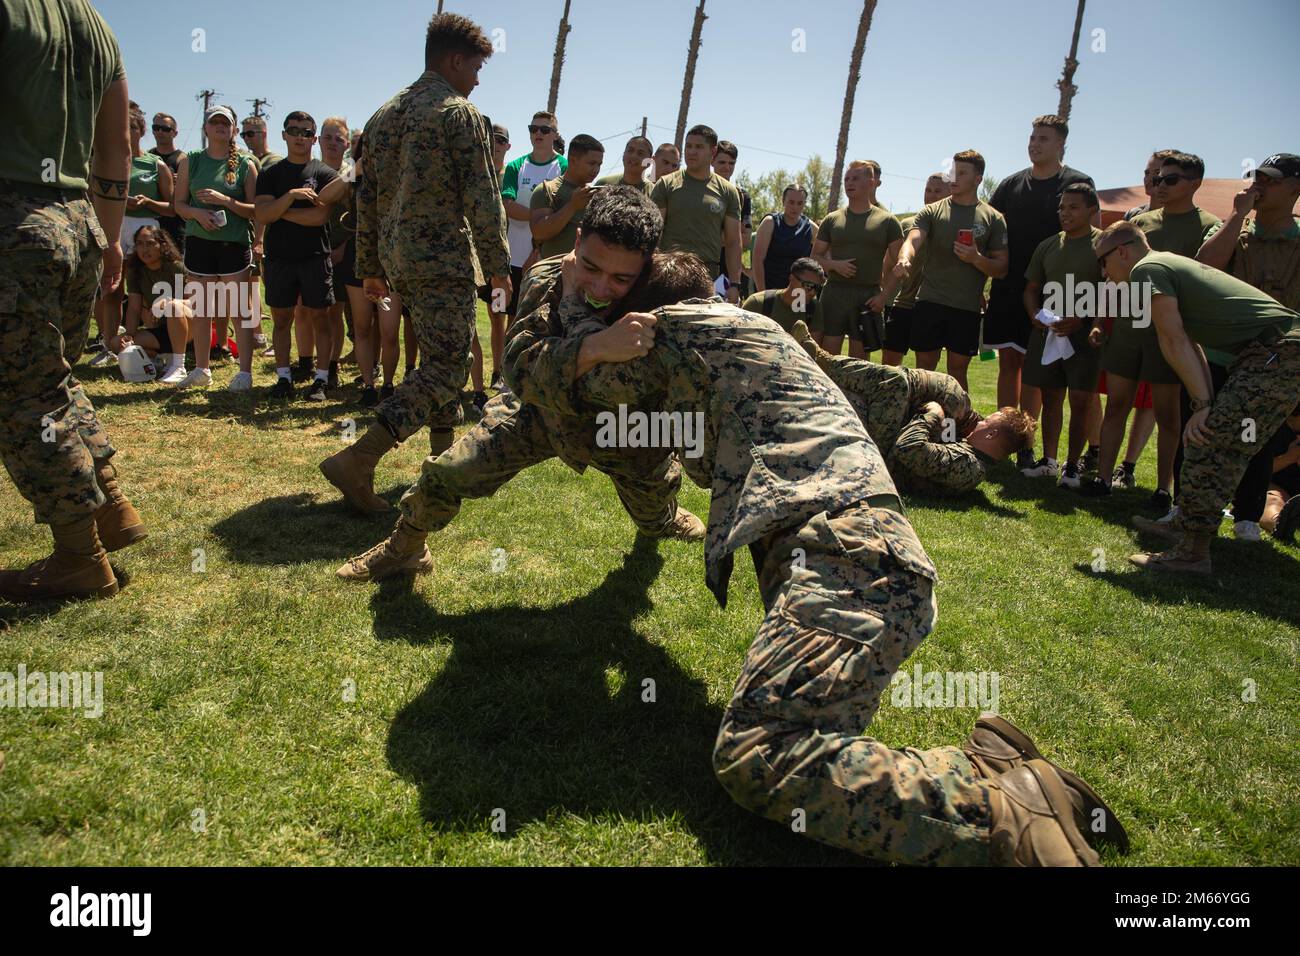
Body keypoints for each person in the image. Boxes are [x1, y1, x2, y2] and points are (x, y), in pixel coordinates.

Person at [535, 256, 1113, 866]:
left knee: (760, 752)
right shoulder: (743, 337)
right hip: (853, 551)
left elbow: (566, 382)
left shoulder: (677, 329)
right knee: (799, 735)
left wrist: (570, 298)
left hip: (846, 555)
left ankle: (996, 804)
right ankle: (998, 762)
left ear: (646, 316)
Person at [334, 187, 706, 579]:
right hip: (541, 413)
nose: (600, 289)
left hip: (622, 429)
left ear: (647, 265)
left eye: (620, 279)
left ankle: (665, 516)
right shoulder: (546, 278)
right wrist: (595, 346)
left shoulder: (664, 291)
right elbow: (521, 368)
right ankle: (405, 548)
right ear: (577, 242)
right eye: (591, 268)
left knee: (653, 515)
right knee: (451, 471)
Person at [319, 11, 511, 509]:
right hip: (443, 257)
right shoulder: (457, 113)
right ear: (453, 60)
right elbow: (483, 197)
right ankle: (358, 459)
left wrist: (370, 267)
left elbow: (366, 198)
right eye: (474, 67)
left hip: (399, 258)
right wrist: (497, 265)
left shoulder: (383, 115)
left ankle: (442, 468)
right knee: (448, 367)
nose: (476, 79)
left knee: (435, 360)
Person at [0, 0, 146, 602]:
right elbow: (116, 151)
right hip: (75, 220)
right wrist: (109, 237)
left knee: (22, 396)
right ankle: (111, 505)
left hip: (14, 219)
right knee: (48, 379)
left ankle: (78, 559)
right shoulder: (93, 23)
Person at [1091, 222, 1300, 574]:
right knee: (1205, 435)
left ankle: (1193, 552)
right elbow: (1191, 344)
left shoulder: (1147, 270)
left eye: (1103, 262)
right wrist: (1203, 403)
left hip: (1278, 353)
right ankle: (1184, 525)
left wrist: (1204, 407)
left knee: (1212, 444)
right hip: (1270, 353)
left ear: (1122, 252)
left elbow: (1172, 340)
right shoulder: (1165, 265)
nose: (1103, 272)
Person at [1189, 153, 1300, 538]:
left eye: (1271, 179)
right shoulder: (1235, 230)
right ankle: (1186, 510)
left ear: (1295, 189)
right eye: (1257, 178)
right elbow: (1204, 269)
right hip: (1222, 354)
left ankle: (1247, 516)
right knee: (1202, 432)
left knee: (1254, 438)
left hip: (1272, 364)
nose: (1260, 185)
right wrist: (1237, 217)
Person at [1104, 152, 1222, 512]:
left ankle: (1162, 489)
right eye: (1158, 179)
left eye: (1171, 179)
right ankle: (1103, 480)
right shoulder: (1139, 222)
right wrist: (1100, 320)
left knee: (1169, 413)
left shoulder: (1208, 225)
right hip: (1128, 326)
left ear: (1194, 183)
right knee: (1117, 405)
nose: (1161, 185)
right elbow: (1110, 273)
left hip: (1171, 333)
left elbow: (1209, 271)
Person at [794, 322, 1036, 497]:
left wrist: (930, 415)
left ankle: (820, 361)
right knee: (860, 396)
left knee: (895, 384)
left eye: (986, 422)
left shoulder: (967, 467)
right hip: (884, 454)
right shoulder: (968, 456)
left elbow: (907, 448)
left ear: (991, 434)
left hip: (880, 462)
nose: (980, 422)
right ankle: (814, 366)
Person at [984, 116, 1094, 440]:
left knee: (1039, 371)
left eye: (1043, 139)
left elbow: (1094, 237)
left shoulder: (1077, 182)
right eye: (1032, 137)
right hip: (1010, 286)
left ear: (1061, 144)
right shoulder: (1009, 185)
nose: (1034, 144)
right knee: (1009, 362)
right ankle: (1007, 433)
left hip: (1056, 294)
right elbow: (991, 235)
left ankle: (1028, 439)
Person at [894, 150, 1009, 391]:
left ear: (977, 179)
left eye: (962, 172)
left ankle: (957, 425)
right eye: (953, 171)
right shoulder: (933, 211)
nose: (954, 177)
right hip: (930, 301)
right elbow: (913, 239)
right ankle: (921, 421)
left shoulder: (993, 218)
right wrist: (905, 258)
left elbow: (1001, 268)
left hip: (966, 307)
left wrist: (976, 258)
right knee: (924, 369)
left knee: (957, 371)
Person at [1019, 183, 1104, 487]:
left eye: (1073, 207)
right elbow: (1030, 290)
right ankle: (1049, 461)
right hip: (1048, 334)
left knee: (1081, 400)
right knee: (1051, 397)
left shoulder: (1102, 245)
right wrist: (1034, 316)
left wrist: (1084, 320)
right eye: (1062, 207)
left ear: (1091, 211)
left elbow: (1112, 291)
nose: (1065, 213)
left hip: (1084, 338)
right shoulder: (1048, 245)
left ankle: (1073, 466)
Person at [254, 111, 341, 400]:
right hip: (279, 257)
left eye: (306, 132)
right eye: (294, 131)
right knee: (281, 320)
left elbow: (319, 218)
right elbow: (262, 215)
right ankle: (283, 377)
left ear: (314, 138)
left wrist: (279, 211)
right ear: (284, 135)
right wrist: (291, 196)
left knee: (320, 318)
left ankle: (321, 379)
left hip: (315, 256)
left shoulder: (324, 174)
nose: (300, 137)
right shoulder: (270, 174)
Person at [172, 104, 259, 390]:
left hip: (234, 244)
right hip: (199, 243)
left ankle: (244, 373)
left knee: (239, 308)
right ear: (206, 128)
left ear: (234, 129)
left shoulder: (246, 164)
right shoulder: (191, 160)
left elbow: (255, 210)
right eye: (215, 122)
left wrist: (225, 201)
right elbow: (179, 205)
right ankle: (201, 369)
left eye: (226, 123)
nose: (220, 126)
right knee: (201, 309)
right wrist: (197, 213)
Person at [315, 134, 399, 407]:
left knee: (388, 330)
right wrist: (356, 170)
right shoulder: (352, 179)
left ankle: (388, 384)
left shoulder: (398, 177)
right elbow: (323, 197)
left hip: (389, 260)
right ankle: (369, 386)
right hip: (357, 258)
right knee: (362, 327)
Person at [91, 101, 175, 369]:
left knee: (140, 291)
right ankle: (109, 345)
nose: (126, 132)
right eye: (121, 127)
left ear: (141, 131)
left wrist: (147, 203)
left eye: (132, 127)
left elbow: (173, 208)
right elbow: (93, 195)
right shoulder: (105, 160)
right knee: (111, 290)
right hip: (113, 226)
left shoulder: (155, 164)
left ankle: (152, 344)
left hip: (145, 233)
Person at [811, 160, 903, 358]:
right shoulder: (832, 218)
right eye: (846, 179)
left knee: (859, 363)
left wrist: (883, 297)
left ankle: (853, 391)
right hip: (834, 293)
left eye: (855, 178)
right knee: (827, 357)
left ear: (871, 183)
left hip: (868, 297)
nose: (849, 183)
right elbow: (815, 257)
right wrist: (834, 265)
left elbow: (900, 266)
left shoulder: (888, 221)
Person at [650, 124, 742, 302]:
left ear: (713, 151)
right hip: (668, 272)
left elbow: (733, 242)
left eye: (699, 147)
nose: (691, 152)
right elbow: (654, 233)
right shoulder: (666, 184)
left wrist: (735, 284)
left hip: (707, 276)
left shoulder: (728, 191)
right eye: (688, 146)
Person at [106, 224, 192, 384]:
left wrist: (169, 302)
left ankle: (179, 366)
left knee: (173, 307)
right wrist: (130, 336)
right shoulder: (135, 271)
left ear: (162, 245)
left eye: (150, 243)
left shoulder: (175, 267)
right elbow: (133, 308)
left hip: (187, 328)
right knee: (116, 343)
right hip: (158, 331)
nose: (144, 249)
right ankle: (158, 358)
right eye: (139, 243)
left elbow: (193, 303)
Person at [501, 110, 565, 321]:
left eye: (545, 130)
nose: (538, 133)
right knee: (503, 315)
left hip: (546, 259)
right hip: (512, 258)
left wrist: (536, 247)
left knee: (536, 320)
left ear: (555, 134)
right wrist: (540, 218)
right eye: (533, 129)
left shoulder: (564, 167)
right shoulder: (515, 166)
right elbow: (507, 205)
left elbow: (563, 214)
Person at [882, 173, 950, 365]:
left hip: (933, 305)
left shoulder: (952, 227)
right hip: (901, 303)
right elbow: (888, 264)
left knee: (926, 366)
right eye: (928, 190)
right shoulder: (906, 225)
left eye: (938, 191)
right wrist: (885, 294)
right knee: (889, 363)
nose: (931, 195)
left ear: (950, 192)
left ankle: (921, 397)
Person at [530, 133, 604, 260]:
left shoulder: (596, 195)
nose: (596, 169)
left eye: (599, 164)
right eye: (592, 163)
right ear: (573, 160)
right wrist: (572, 206)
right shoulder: (547, 190)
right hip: (553, 272)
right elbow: (539, 232)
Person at [320, 115, 353, 389]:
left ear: (347, 143)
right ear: (319, 140)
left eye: (338, 138)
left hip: (344, 254)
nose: (332, 143)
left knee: (336, 312)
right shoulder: (310, 170)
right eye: (327, 137)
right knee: (311, 313)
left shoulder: (352, 173)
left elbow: (358, 216)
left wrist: (342, 248)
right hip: (313, 253)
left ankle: (332, 366)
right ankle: (313, 364)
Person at [752, 183, 815, 293]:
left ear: (804, 204)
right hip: (771, 290)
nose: (795, 207)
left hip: (798, 294)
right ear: (783, 201)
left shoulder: (810, 227)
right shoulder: (770, 223)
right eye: (791, 202)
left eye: (800, 203)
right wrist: (762, 294)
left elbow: (825, 252)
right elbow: (757, 260)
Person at [740, 257, 823, 333]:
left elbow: (813, 348)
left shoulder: (813, 309)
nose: (812, 292)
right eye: (808, 285)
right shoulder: (758, 303)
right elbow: (740, 338)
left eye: (817, 288)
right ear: (791, 278)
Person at [712, 140, 753, 291]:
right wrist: (731, 234)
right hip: (702, 265)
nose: (727, 167)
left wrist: (718, 236)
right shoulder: (700, 192)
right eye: (722, 162)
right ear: (712, 161)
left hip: (730, 273)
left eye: (731, 163)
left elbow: (746, 239)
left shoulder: (742, 196)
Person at [149, 111, 187, 252]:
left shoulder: (183, 159)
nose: (160, 132)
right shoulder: (147, 158)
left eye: (165, 129)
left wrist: (183, 182)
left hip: (175, 224)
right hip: (151, 222)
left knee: (177, 270)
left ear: (175, 133)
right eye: (156, 127)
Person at [1261, 407, 1300, 542]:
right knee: (1274, 499)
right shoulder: (1271, 426)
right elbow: (1255, 472)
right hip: (1274, 482)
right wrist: (1289, 457)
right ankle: (1279, 524)